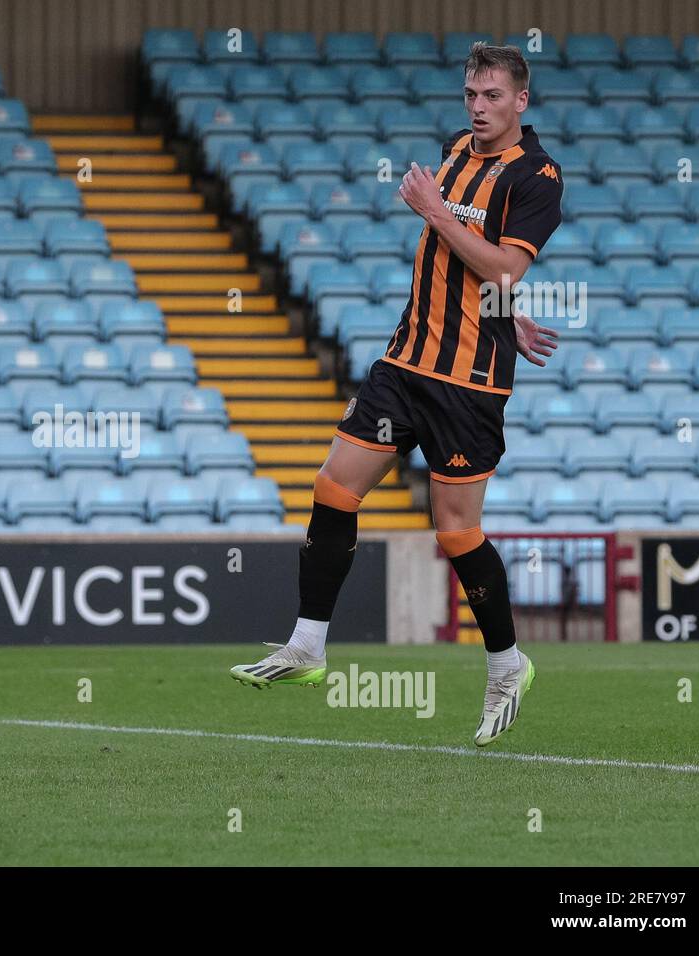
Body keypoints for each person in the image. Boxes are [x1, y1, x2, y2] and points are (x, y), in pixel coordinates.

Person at [231, 43, 564, 748]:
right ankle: (308, 646)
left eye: (492, 97)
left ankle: (507, 664)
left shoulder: (537, 176)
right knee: (333, 488)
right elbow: (478, 273)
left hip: (468, 382)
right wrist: (510, 308)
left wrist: (439, 216)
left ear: (521, 102)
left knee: (455, 532)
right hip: (406, 359)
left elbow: (503, 263)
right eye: (470, 94)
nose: (477, 107)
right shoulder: (455, 150)